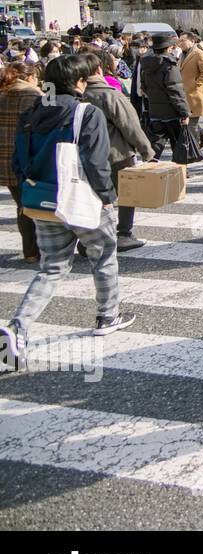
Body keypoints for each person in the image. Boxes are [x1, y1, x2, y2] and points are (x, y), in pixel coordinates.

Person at [0, 55, 131, 371]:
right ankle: (107, 314)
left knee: (52, 267)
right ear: (77, 82)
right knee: (103, 256)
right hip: (82, 200)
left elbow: (18, 159)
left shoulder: (33, 112)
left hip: (44, 200)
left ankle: (18, 327)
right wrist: (107, 197)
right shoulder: (86, 113)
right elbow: (96, 162)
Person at [80, 50, 153, 252]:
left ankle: (89, 238)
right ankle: (124, 233)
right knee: (127, 195)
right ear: (99, 69)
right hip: (116, 152)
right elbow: (130, 126)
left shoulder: (79, 95)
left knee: (93, 196)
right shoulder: (110, 95)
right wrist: (146, 151)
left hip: (85, 154)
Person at [0, 62, 45, 263]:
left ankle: (30, 252)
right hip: (28, 158)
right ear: (29, 77)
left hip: (4, 159)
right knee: (35, 205)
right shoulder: (34, 96)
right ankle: (38, 249)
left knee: (22, 205)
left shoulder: (2, 95)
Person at [138, 34, 191, 160]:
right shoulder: (169, 65)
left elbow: (144, 87)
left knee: (156, 144)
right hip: (171, 111)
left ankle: (150, 169)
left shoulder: (146, 64)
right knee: (178, 143)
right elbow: (175, 91)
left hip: (154, 109)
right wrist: (184, 112)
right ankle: (180, 171)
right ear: (168, 48)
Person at [177, 32, 203, 149]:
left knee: (192, 124)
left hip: (194, 94)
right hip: (183, 94)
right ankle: (202, 135)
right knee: (187, 123)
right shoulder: (182, 55)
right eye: (179, 40)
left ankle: (194, 148)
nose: (180, 43)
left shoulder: (199, 54)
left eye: (183, 40)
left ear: (192, 41)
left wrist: (196, 84)